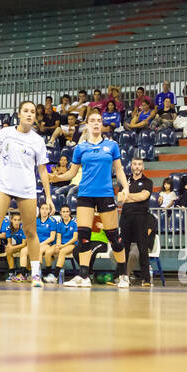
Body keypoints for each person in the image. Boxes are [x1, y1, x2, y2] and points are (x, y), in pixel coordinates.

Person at [0, 101, 53, 288]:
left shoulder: (38, 141)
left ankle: (36, 275)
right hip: (3, 186)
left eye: (32, 112)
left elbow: (42, 170)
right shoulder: (6, 133)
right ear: (19, 114)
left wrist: (48, 196)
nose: (29, 114)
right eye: (26, 111)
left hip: (27, 189)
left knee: (31, 232)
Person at [64, 110, 129, 289]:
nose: (96, 123)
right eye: (92, 120)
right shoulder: (80, 148)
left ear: (102, 124)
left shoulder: (112, 145)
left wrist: (125, 188)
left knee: (114, 237)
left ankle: (123, 275)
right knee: (84, 236)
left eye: (98, 121)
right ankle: (84, 276)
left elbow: (119, 170)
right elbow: (72, 172)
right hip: (85, 194)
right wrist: (56, 177)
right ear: (87, 124)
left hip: (106, 194)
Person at [117, 157, 155, 289]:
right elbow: (120, 198)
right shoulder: (124, 181)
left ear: (143, 167)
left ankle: (146, 279)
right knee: (123, 248)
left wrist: (128, 196)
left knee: (143, 248)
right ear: (131, 166)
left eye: (139, 164)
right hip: (126, 217)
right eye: (135, 164)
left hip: (141, 218)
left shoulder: (148, 181)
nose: (137, 167)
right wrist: (134, 196)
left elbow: (144, 196)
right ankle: (122, 277)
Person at [42, 206, 76, 283]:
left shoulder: (74, 222)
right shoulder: (59, 223)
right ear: (60, 213)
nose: (65, 214)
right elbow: (59, 237)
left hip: (71, 244)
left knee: (62, 251)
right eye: (63, 212)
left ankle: (55, 276)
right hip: (61, 243)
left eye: (67, 212)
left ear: (70, 212)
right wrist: (57, 245)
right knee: (48, 251)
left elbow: (74, 238)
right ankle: (48, 273)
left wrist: (62, 246)